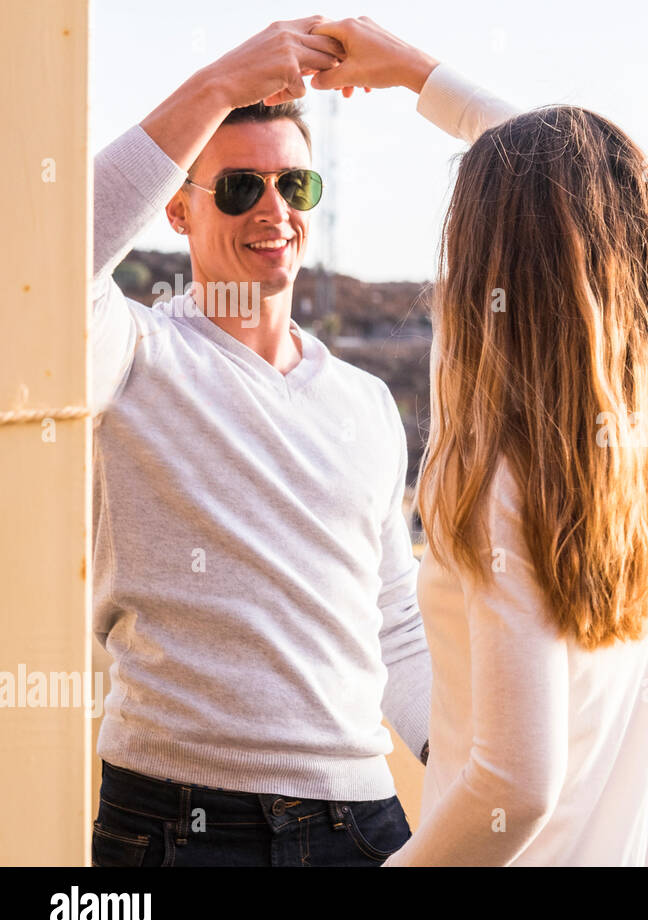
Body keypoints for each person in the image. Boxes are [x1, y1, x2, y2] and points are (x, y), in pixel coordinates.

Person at [307, 17, 648, 865]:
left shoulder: (503, 478)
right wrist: (417, 74)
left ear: (488, 270)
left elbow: (515, 785)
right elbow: (588, 189)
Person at [88, 17, 498, 866]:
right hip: (177, 826)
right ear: (178, 208)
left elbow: (392, 623)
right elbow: (40, 261)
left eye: (294, 187)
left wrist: (475, 779)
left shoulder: (367, 401)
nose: (272, 210)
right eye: (238, 188)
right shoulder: (128, 351)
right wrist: (218, 82)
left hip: (365, 823)